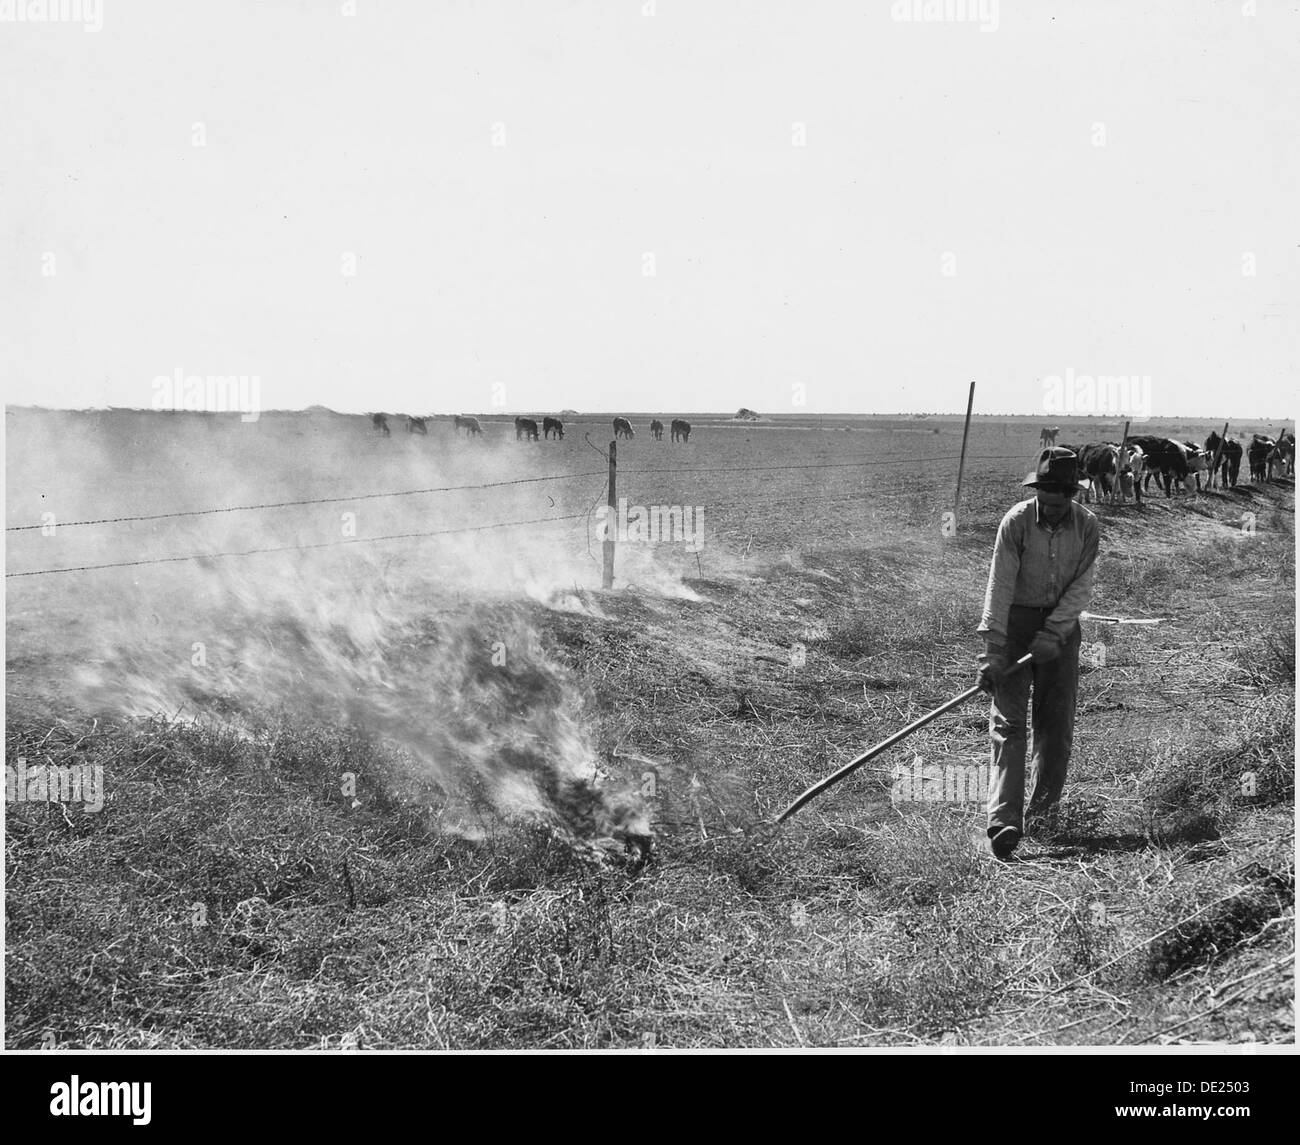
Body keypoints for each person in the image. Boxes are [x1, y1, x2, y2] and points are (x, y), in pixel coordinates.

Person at [976, 447, 1100, 860]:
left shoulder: (1086, 526)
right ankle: (1004, 821)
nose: (1049, 509)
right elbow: (1000, 584)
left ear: (1072, 495)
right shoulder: (1015, 521)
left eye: (1057, 502)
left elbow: (1082, 587)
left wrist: (1055, 631)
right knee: (1008, 723)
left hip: (1061, 629)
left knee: (1055, 724)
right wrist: (994, 650)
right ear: (1036, 492)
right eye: (1042, 501)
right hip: (1015, 626)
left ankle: (1045, 815)